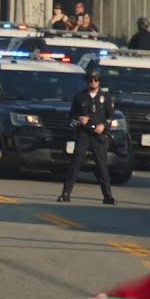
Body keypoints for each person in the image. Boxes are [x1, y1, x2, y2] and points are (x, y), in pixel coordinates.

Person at [59, 68, 117, 205]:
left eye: (96, 80)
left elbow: (111, 117)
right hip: (83, 133)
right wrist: (79, 118)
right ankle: (65, 193)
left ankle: (108, 196)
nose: (93, 82)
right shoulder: (80, 97)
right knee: (76, 163)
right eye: (90, 80)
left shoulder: (106, 98)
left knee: (102, 166)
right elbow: (72, 115)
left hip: (99, 135)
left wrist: (104, 126)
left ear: (99, 81)